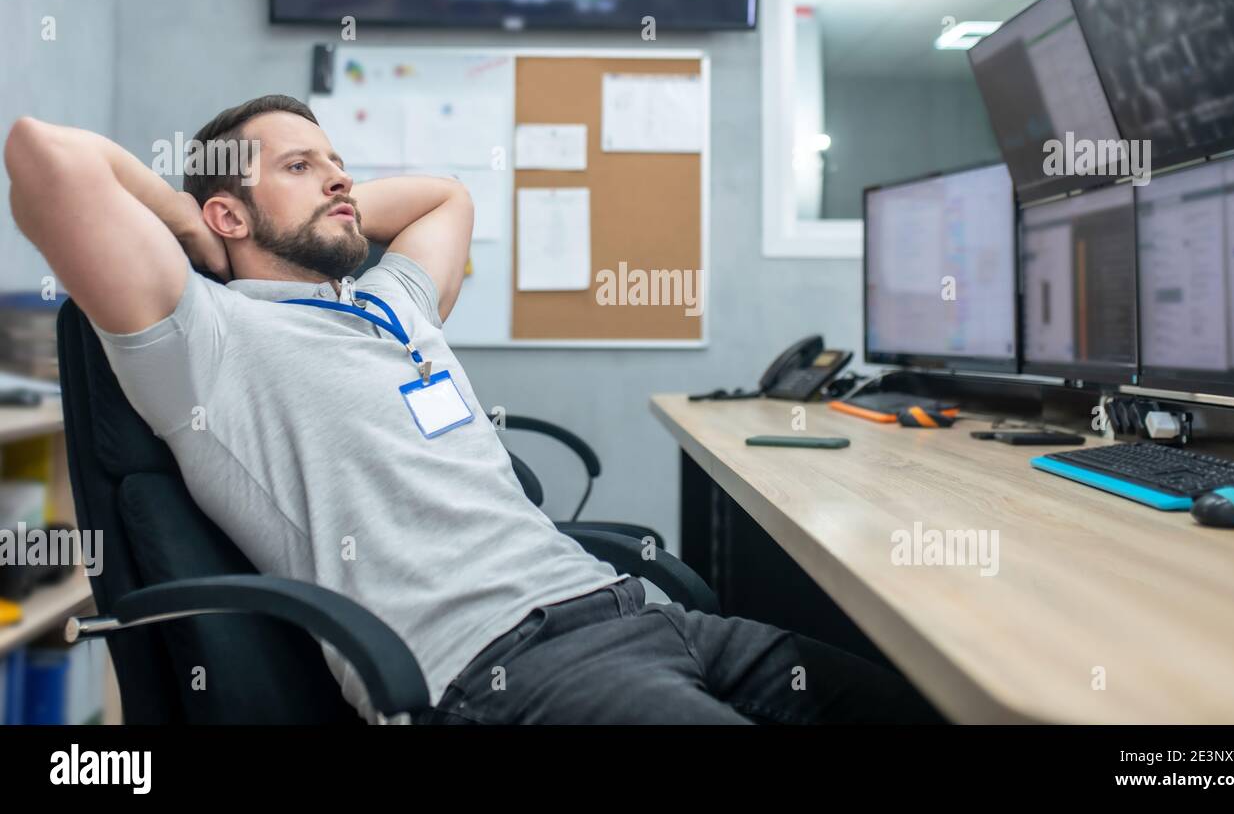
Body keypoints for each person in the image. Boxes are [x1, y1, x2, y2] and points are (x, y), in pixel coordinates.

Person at [3, 95, 942, 724]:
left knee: (928, 710)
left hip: (640, 614)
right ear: (227, 216)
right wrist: (188, 221)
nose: (341, 180)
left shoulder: (390, 301)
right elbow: (41, 155)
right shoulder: (202, 338)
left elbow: (449, 195)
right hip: (502, 667)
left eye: (342, 164)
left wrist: (314, 199)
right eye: (302, 165)